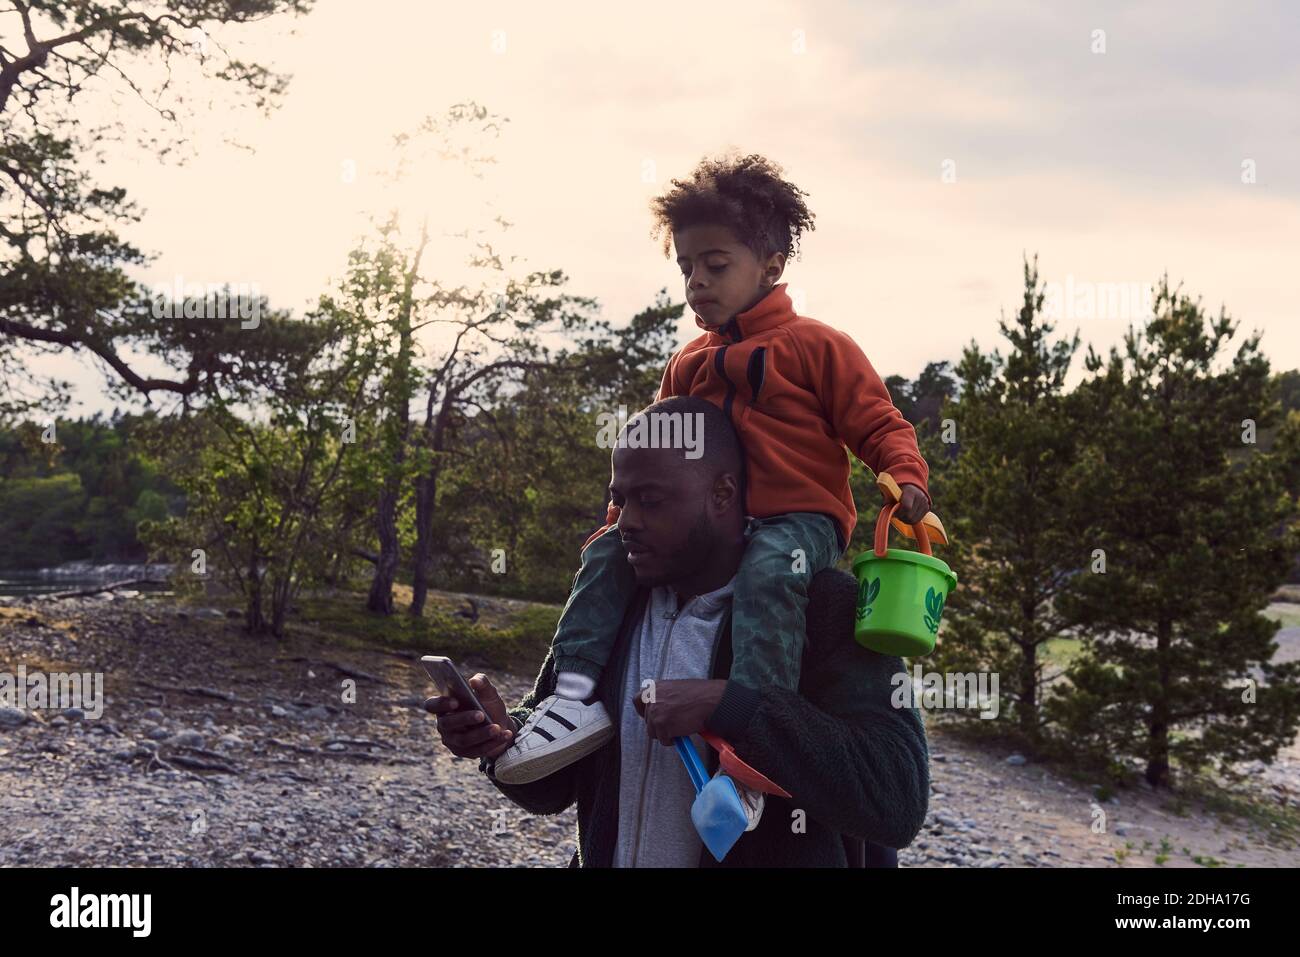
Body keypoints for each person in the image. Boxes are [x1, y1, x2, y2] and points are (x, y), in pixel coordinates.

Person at [490, 152, 933, 818]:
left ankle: (749, 742)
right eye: (687, 267)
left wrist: (903, 475)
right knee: (605, 553)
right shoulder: (687, 363)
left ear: (773, 265)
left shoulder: (818, 346)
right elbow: (652, 448)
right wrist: (622, 511)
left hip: (799, 521)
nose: (697, 281)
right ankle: (569, 699)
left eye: (715, 265)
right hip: (713, 533)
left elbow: (877, 420)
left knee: (766, 576)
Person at [427, 396, 930, 867]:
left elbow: (896, 798)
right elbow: (559, 788)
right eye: (620, 500)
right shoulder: (608, 608)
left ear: (722, 493)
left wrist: (730, 706)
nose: (626, 522)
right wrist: (503, 739)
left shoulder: (825, 607)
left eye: (650, 500)